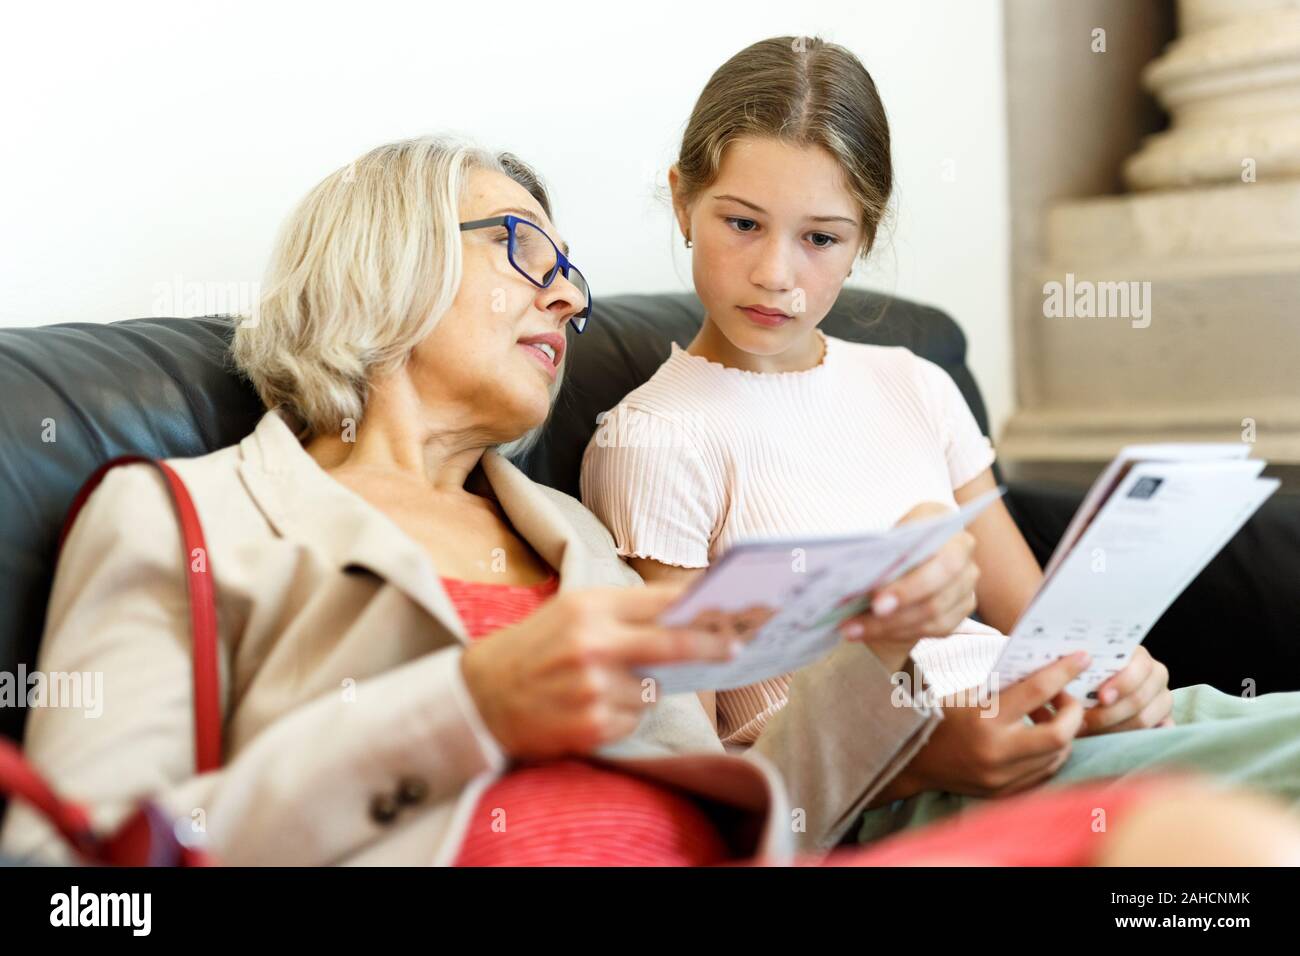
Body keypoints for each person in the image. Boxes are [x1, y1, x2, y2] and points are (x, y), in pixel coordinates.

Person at [4, 136, 1297, 868]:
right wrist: (465, 710)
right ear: (380, 261)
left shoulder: (563, 538)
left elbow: (751, 793)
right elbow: (76, 885)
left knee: (1202, 845)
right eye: (524, 252)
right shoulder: (182, 516)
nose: (569, 295)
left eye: (571, 268)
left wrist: (880, 649)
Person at [578, 36, 1300, 849]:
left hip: (1041, 732)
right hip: (895, 794)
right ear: (682, 202)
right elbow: (702, 773)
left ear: (866, 236)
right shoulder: (656, 439)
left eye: (821, 238)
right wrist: (922, 759)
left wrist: (1113, 681)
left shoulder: (914, 382)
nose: (776, 273)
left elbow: (1043, 635)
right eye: (742, 223)